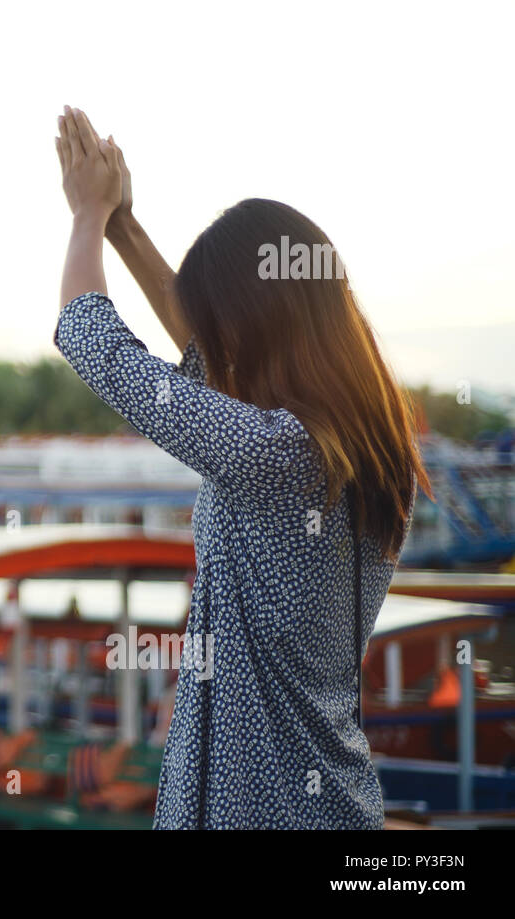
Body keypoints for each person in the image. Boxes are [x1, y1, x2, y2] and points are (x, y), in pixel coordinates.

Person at [51, 106, 430, 829]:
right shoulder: (353, 448)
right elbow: (205, 356)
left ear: (253, 327)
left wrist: (86, 217)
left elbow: (94, 341)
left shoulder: (279, 455)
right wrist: (126, 225)